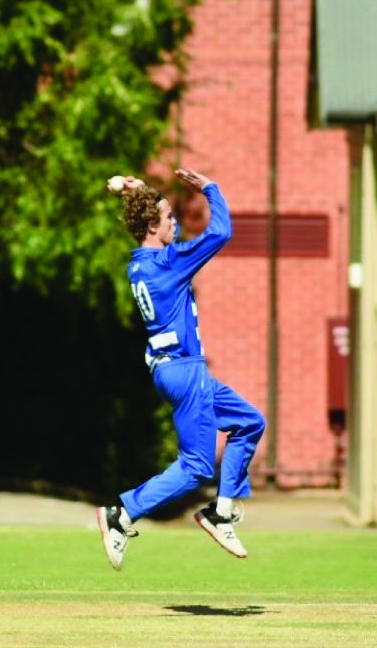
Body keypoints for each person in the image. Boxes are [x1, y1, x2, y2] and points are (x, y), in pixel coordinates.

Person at [95, 168, 266, 571]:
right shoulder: (169, 261)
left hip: (176, 370)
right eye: (170, 218)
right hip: (185, 371)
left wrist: (138, 194)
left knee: (250, 422)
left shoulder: (139, 264)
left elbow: (147, 220)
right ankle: (123, 513)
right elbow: (221, 233)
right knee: (196, 467)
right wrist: (210, 188)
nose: (176, 224)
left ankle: (221, 511)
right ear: (153, 225)